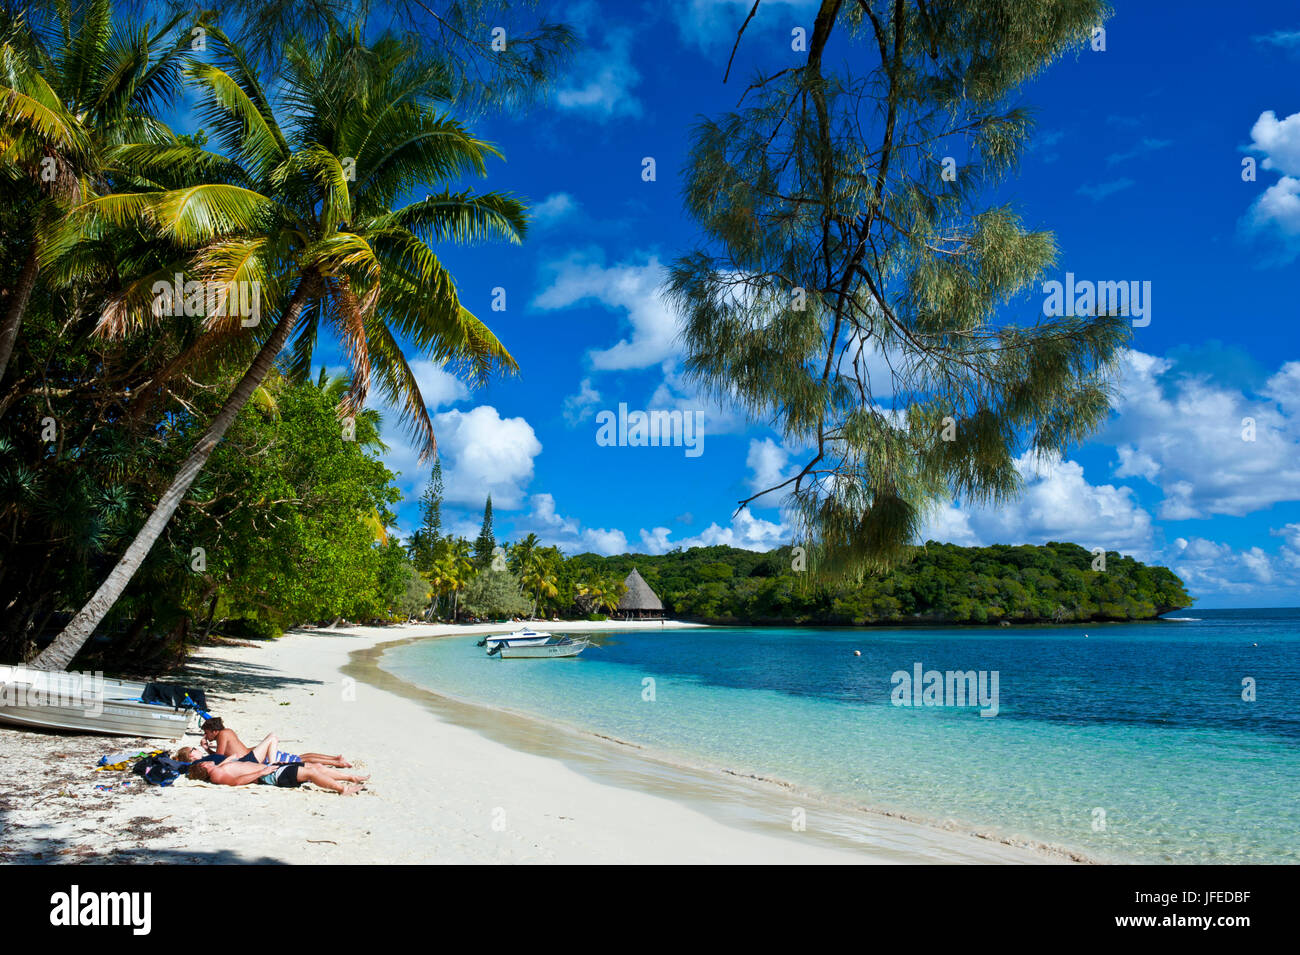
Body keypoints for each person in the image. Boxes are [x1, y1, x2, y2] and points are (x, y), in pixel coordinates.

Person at [179, 748, 368, 795]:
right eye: (205, 761)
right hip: (271, 776)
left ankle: (351, 777)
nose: (208, 760)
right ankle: (342, 789)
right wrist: (261, 773)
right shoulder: (217, 774)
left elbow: (234, 757)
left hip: (272, 769)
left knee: (316, 767)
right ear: (204, 766)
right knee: (311, 774)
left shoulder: (218, 768)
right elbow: (236, 782)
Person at [200, 718, 351, 768]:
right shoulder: (228, 731)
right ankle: (334, 759)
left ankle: (336, 762)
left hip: (252, 758)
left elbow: (219, 758)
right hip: (252, 754)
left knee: (300, 759)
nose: (206, 736)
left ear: (214, 731)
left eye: (206, 733)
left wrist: (207, 750)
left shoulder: (222, 735)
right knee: (300, 757)